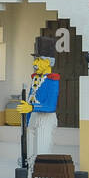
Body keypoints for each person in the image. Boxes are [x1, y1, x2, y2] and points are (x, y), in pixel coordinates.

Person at [15, 36, 60, 167]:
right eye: (36, 60)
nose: (35, 63)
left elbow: (50, 105)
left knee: (42, 152)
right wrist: (27, 119)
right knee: (27, 153)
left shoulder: (52, 80)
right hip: (33, 117)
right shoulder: (35, 79)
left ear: (48, 62)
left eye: (39, 60)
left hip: (45, 118)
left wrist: (31, 107)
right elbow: (31, 98)